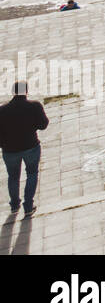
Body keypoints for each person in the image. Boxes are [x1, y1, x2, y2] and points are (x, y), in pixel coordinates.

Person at [1, 82, 48, 216]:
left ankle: (14, 205)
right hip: (31, 146)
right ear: (27, 92)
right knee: (32, 174)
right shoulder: (34, 106)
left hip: (10, 150)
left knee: (13, 177)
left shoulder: (2, 110)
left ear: (12, 92)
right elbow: (43, 124)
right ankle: (28, 206)